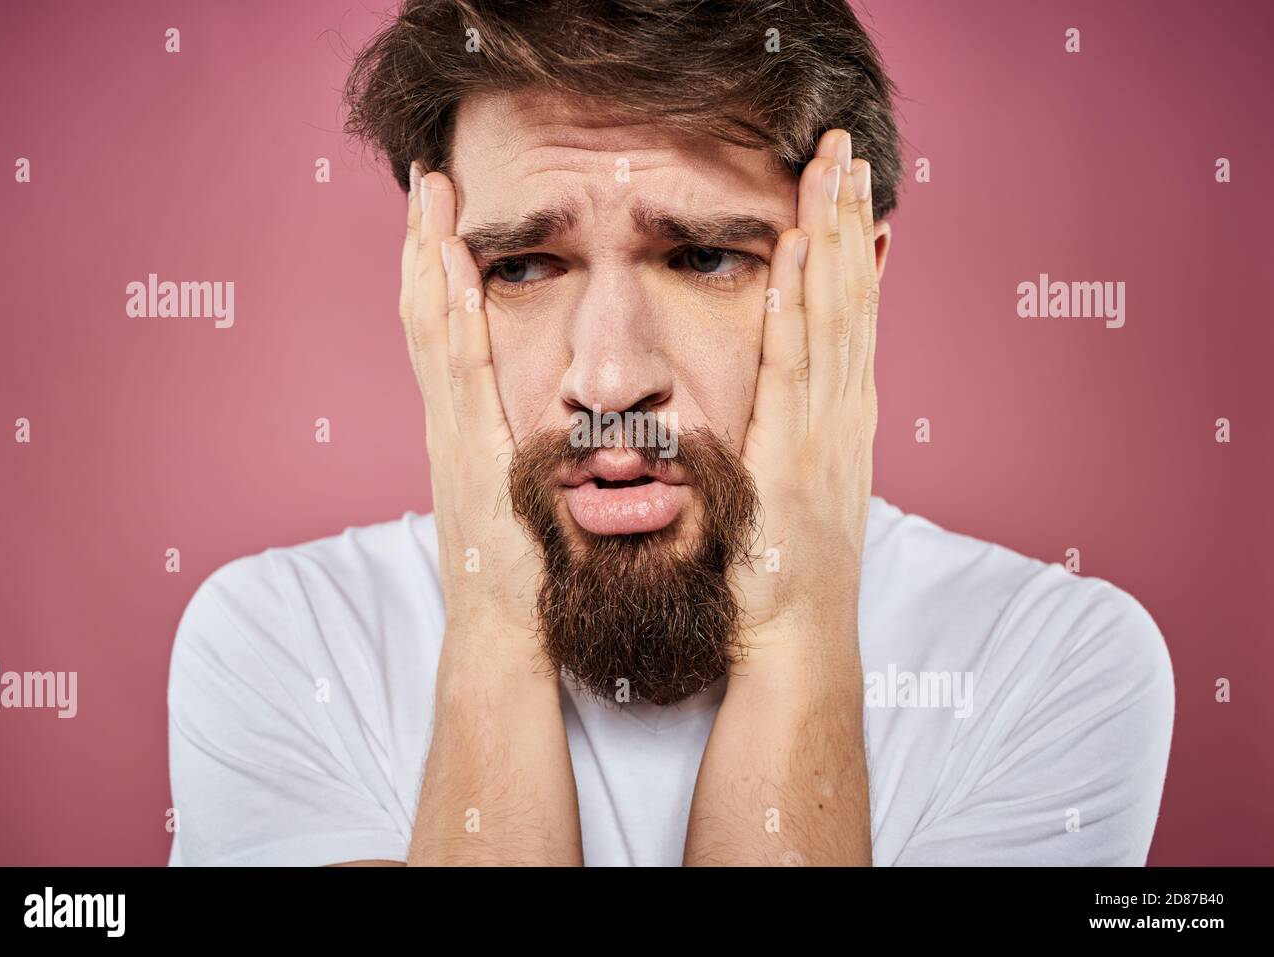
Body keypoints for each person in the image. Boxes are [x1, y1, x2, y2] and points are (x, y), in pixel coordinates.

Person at [167, 0, 1173, 866]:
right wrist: (493, 626)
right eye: (520, 266)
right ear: (433, 294)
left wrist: (796, 622)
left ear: (849, 283)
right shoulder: (281, 642)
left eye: (699, 257)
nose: (608, 379)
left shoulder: (1052, 661)